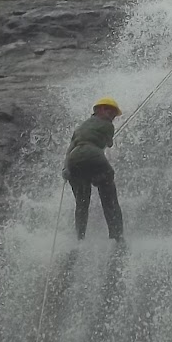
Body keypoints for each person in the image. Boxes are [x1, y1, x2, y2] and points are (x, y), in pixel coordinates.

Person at [63, 97, 124, 241]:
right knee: (109, 196)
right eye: (108, 110)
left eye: (114, 113)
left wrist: (65, 169)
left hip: (73, 160)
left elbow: (70, 149)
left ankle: (79, 239)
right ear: (98, 110)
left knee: (81, 202)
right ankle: (117, 237)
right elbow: (109, 143)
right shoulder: (108, 125)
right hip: (94, 156)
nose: (112, 114)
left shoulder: (80, 128)